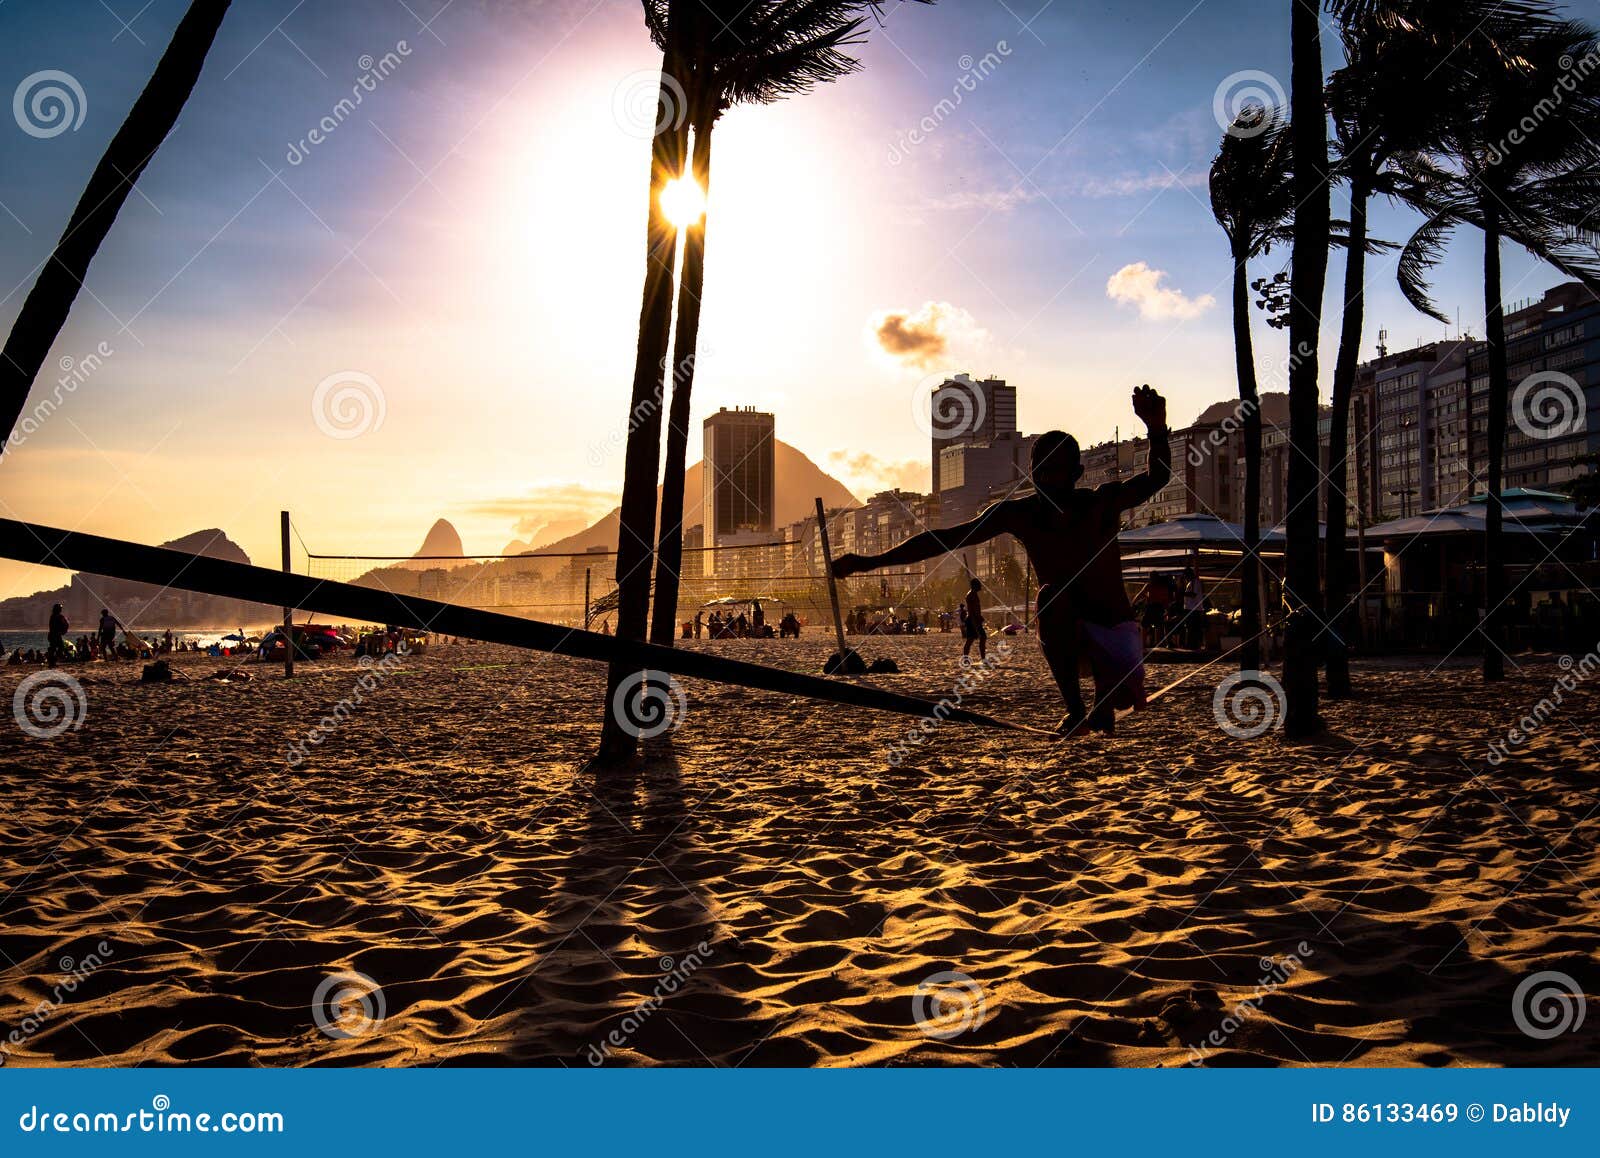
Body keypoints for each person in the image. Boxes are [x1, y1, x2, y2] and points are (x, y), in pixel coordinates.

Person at [835, 385, 1171, 735]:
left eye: (1056, 472)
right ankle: (1075, 709)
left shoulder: (1100, 503)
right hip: (1065, 631)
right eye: (1040, 472)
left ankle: (1105, 698)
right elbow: (946, 539)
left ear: (1076, 474)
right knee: (1051, 596)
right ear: (1031, 473)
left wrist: (1156, 426)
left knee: (1116, 703)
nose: (1047, 481)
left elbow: (1156, 478)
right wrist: (870, 562)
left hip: (1114, 632)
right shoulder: (1021, 514)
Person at [1178, 566, 1206, 650]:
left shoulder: (1195, 582)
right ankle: (1191, 644)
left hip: (1194, 609)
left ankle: (1193, 645)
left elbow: (1193, 594)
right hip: (1190, 608)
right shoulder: (1190, 583)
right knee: (1190, 628)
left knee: (1193, 628)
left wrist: (1182, 593)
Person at [960, 578, 987, 663]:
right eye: (978, 584)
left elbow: (975, 609)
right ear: (974, 585)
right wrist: (975, 621)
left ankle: (981, 659)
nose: (980, 586)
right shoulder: (971, 595)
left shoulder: (973, 594)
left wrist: (979, 616)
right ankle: (979, 659)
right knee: (975, 639)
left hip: (975, 619)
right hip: (972, 620)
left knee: (974, 639)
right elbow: (972, 610)